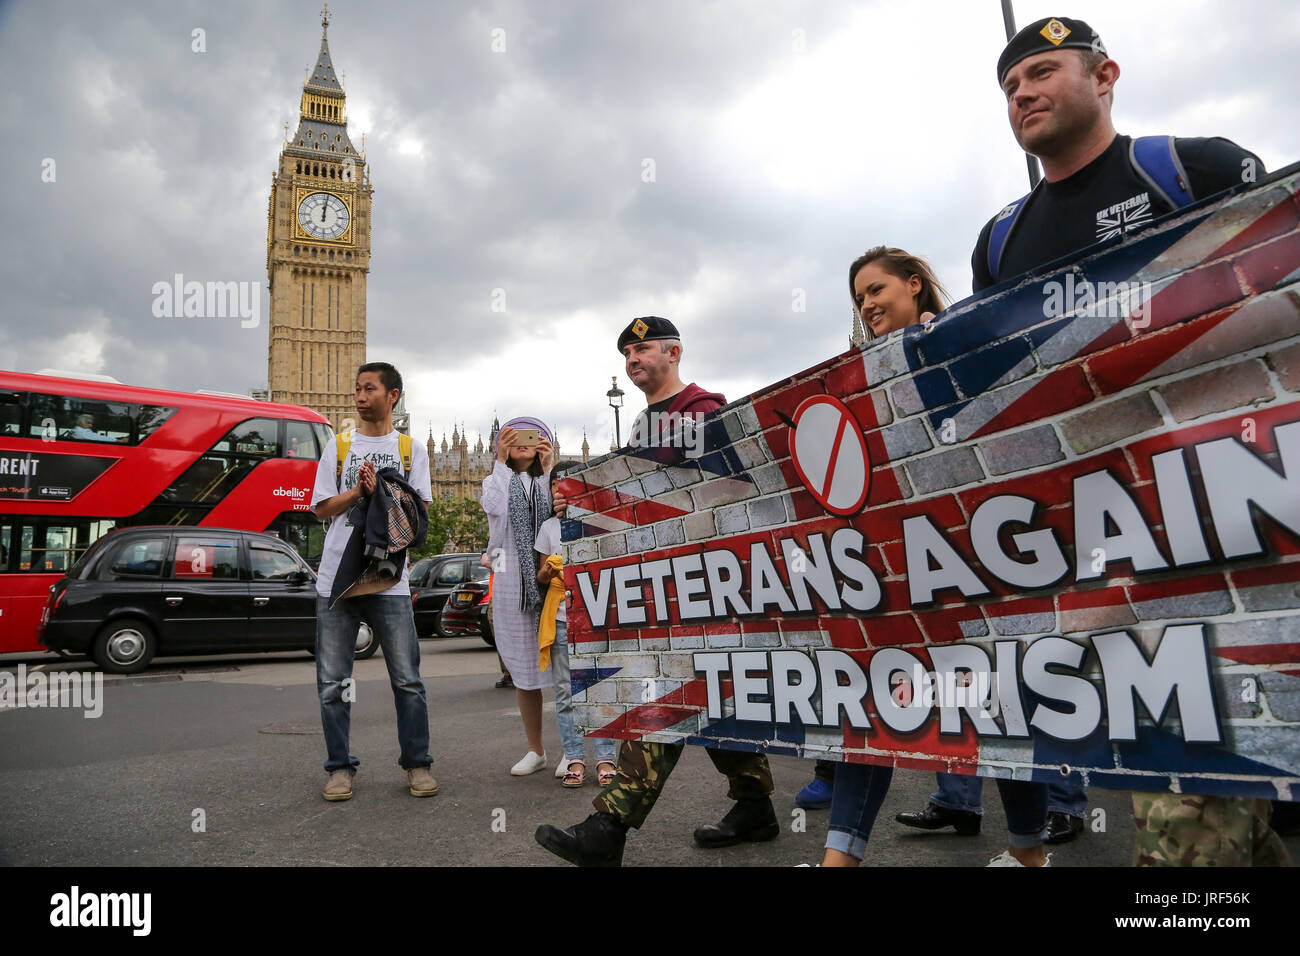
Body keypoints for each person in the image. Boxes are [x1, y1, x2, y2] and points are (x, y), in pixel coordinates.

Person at [965, 15, 1275, 866]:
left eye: (1041, 71)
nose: (1022, 91)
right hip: (1113, 538)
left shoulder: (1192, 169)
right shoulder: (1000, 240)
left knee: (1222, 803)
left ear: (1105, 76)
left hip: (1239, 509)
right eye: (1009, 85)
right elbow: (1001, 398)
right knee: (1199, 798)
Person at [535, 316, 779, 866]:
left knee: (660, 697)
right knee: (717, 697)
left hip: (708, 581)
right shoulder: (647, 424)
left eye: (642, 349)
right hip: (671, 585)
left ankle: (609, 828)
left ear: (674, 352)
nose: (632, 360)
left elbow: (722, 494)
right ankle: (756, 807)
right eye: (626, 353)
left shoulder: (703, 412)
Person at [310, 363, 437, 802]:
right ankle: (339, 768)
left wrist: (383, 492)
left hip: (390, 580)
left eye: (369, 389)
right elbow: (322, 509)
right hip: (336, 580)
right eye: (357, 389)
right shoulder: (338, 446)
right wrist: (357, 494)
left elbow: (419, 515)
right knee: (332, 682)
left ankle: (418, 764)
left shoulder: (409, 450)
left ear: (393, 395)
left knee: (407, 680)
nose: (360, 396)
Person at [480, 416, 556, 775]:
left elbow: (562, 509)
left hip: (554, 581)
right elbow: (494, 507)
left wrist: (549, 466)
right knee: (526, 670)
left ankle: (574, 751)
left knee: (570, 669)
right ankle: (536, 749)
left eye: (532, 436)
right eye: (513, 437)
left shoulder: (550, 481)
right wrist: (499, 461)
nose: (523, 442)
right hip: (514, 584)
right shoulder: (497, 481)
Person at [536, 460, 619, 788]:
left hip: (594, 617)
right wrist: (551, 570)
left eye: (568, 481)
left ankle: (605, 758)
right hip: (559, 617)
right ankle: (574, 758)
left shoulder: (599, 522)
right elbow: (541, 576)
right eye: (555, 482)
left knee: (598, 690)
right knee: (565, 692)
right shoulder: (548, 528)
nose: (560, 487)